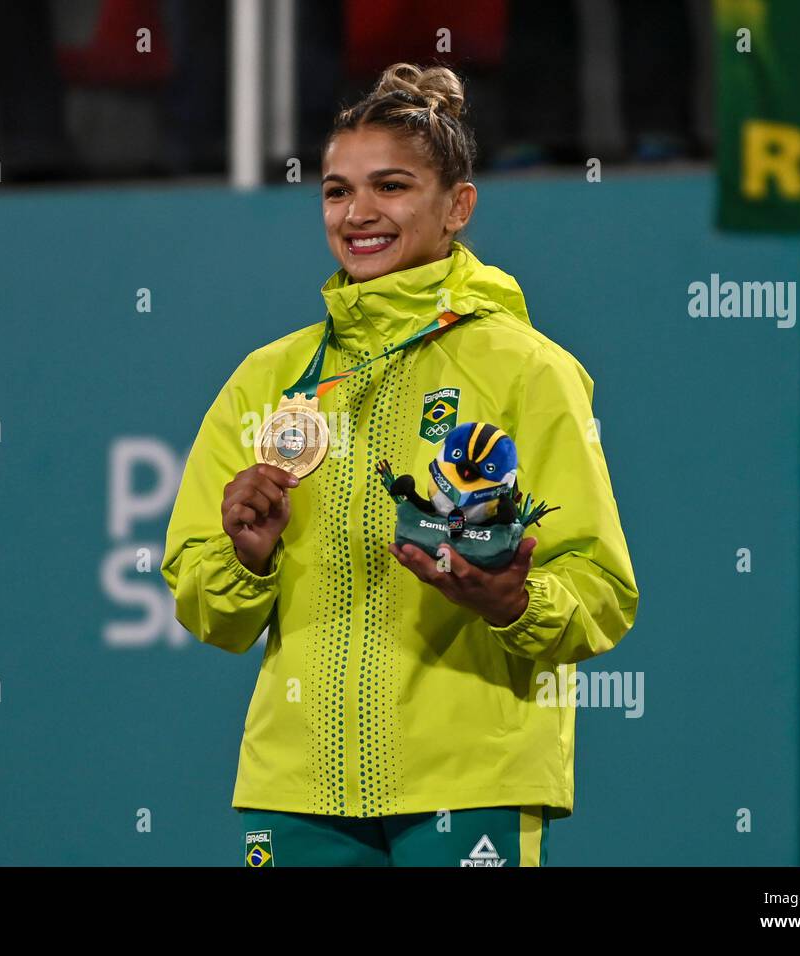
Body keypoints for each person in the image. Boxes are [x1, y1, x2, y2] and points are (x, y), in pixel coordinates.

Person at [161, 62, 639, 867]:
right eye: (337, 191)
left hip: (473, 778)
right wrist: (246, 561)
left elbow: (601, 588)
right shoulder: (269, 379)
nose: (359, 214)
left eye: (391, 186)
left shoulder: (528, 369)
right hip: (297, 786)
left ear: (458, 207)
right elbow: (204, 601)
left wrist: (511, 603)